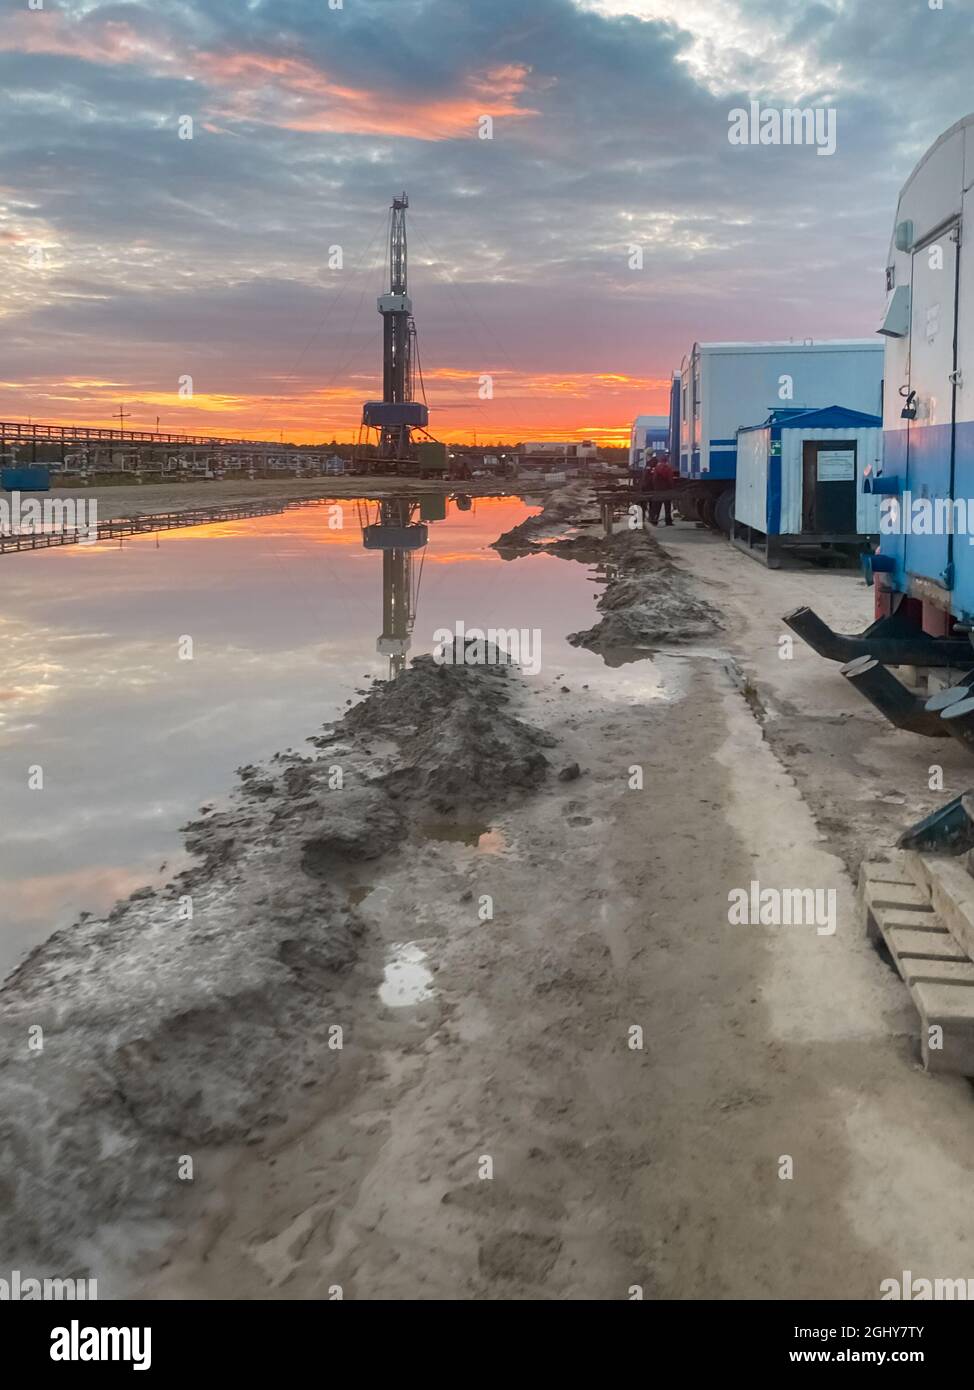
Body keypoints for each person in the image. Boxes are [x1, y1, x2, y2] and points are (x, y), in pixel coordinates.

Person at [653, 457, 675, 525]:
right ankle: (668, 521)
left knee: (657, 506)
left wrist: (655, 487)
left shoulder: (657, 468)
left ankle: (655, 520)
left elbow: (654, 478)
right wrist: (672, 487)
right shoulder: (668, 468)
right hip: (666, 489)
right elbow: (670, 479)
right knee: (667, 506)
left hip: (658, 489)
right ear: (666, 461)